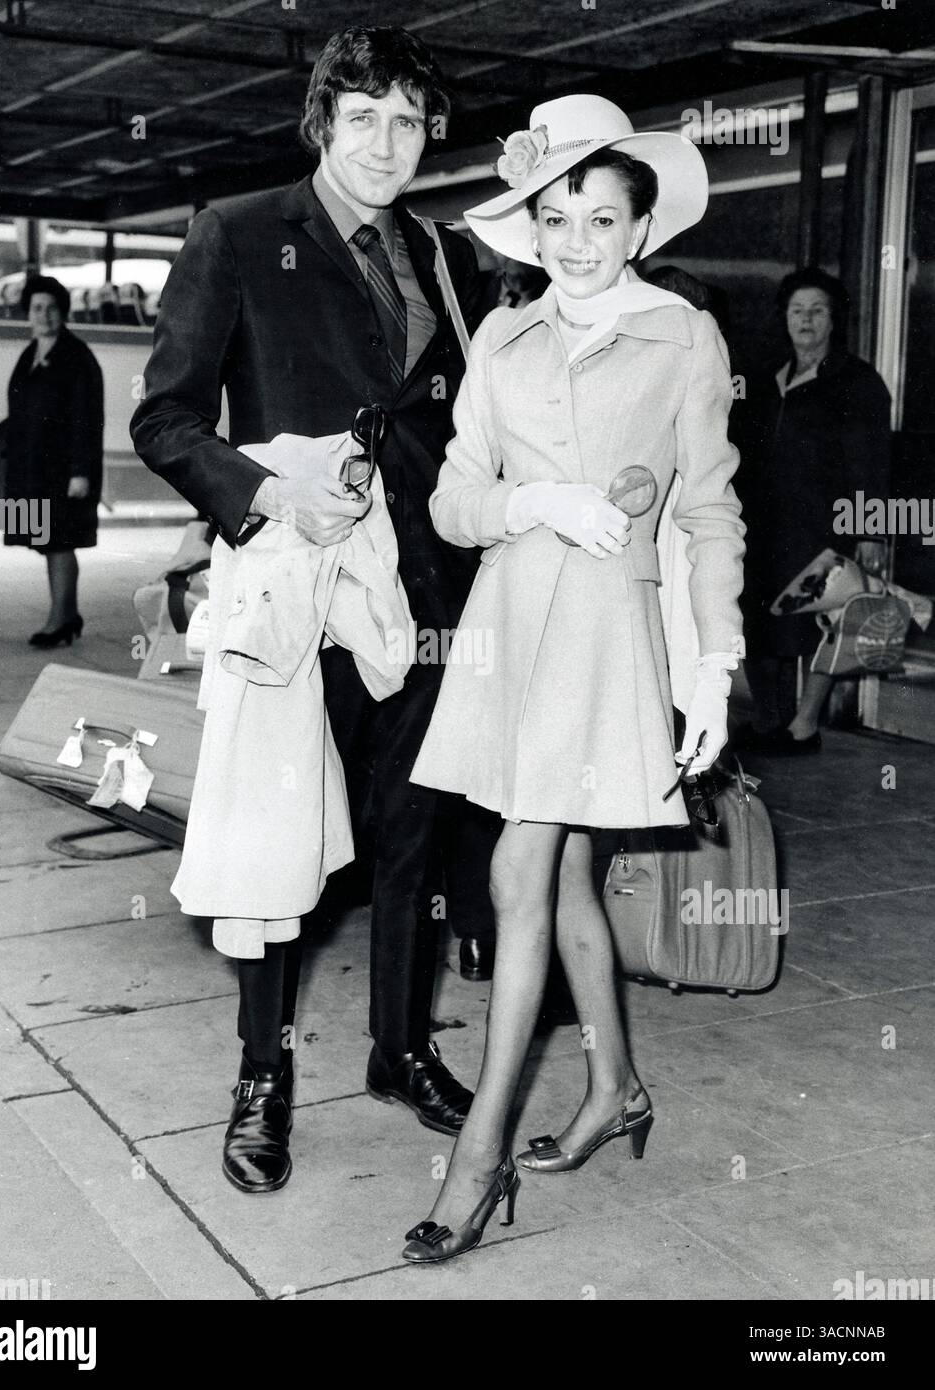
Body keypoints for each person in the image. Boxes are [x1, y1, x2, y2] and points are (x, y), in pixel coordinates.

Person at [131, 25, 500, 1195]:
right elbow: (166, 419)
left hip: (428, 591)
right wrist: (267, 492)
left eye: (408, 121)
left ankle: (399, 1049)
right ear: (320, 126)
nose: (389, 144)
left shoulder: (448, 256)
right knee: (275, 842)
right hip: (302, 588)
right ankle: (262, 1075)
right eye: (364, 120)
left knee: (414, 835)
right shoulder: (239, 234)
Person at [399, 94, 746, 1263]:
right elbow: (452, 502)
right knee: (567, 883)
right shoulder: (499, 341)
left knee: (516, 869)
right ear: (532, 224)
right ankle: (618, 1090)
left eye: (603, 216)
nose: (579, 238)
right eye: (557, 215)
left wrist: (713, 664)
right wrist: (533, 501)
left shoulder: (684, 337)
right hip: (510, 638)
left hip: (610, 648)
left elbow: (708, 511)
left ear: (640, 228)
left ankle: (478, 1154)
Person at [735, 268, 891, 753]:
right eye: (796, 309)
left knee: (825, 621)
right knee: (757, 625)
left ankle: (804, 726)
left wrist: (870, 528)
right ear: (783, 317)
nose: (806, 319)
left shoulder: (858, 381)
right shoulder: (762, 378)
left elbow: (873, 461)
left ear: (833, 318)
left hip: (822, 524)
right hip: (761, 524)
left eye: (817, 310)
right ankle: (766, 722)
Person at [5, 274, 104, 646]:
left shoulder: (76, 357)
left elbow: (87, 419)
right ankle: (69, 613)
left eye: (51, 308)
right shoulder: (32, 353)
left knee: (62, 541)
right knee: (50, 541)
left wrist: (80, 472)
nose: (44, 315)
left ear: (63, 312)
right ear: (28, 313)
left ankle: (57, 622)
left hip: (66, 470)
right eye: (37, 308)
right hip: (37, 469)